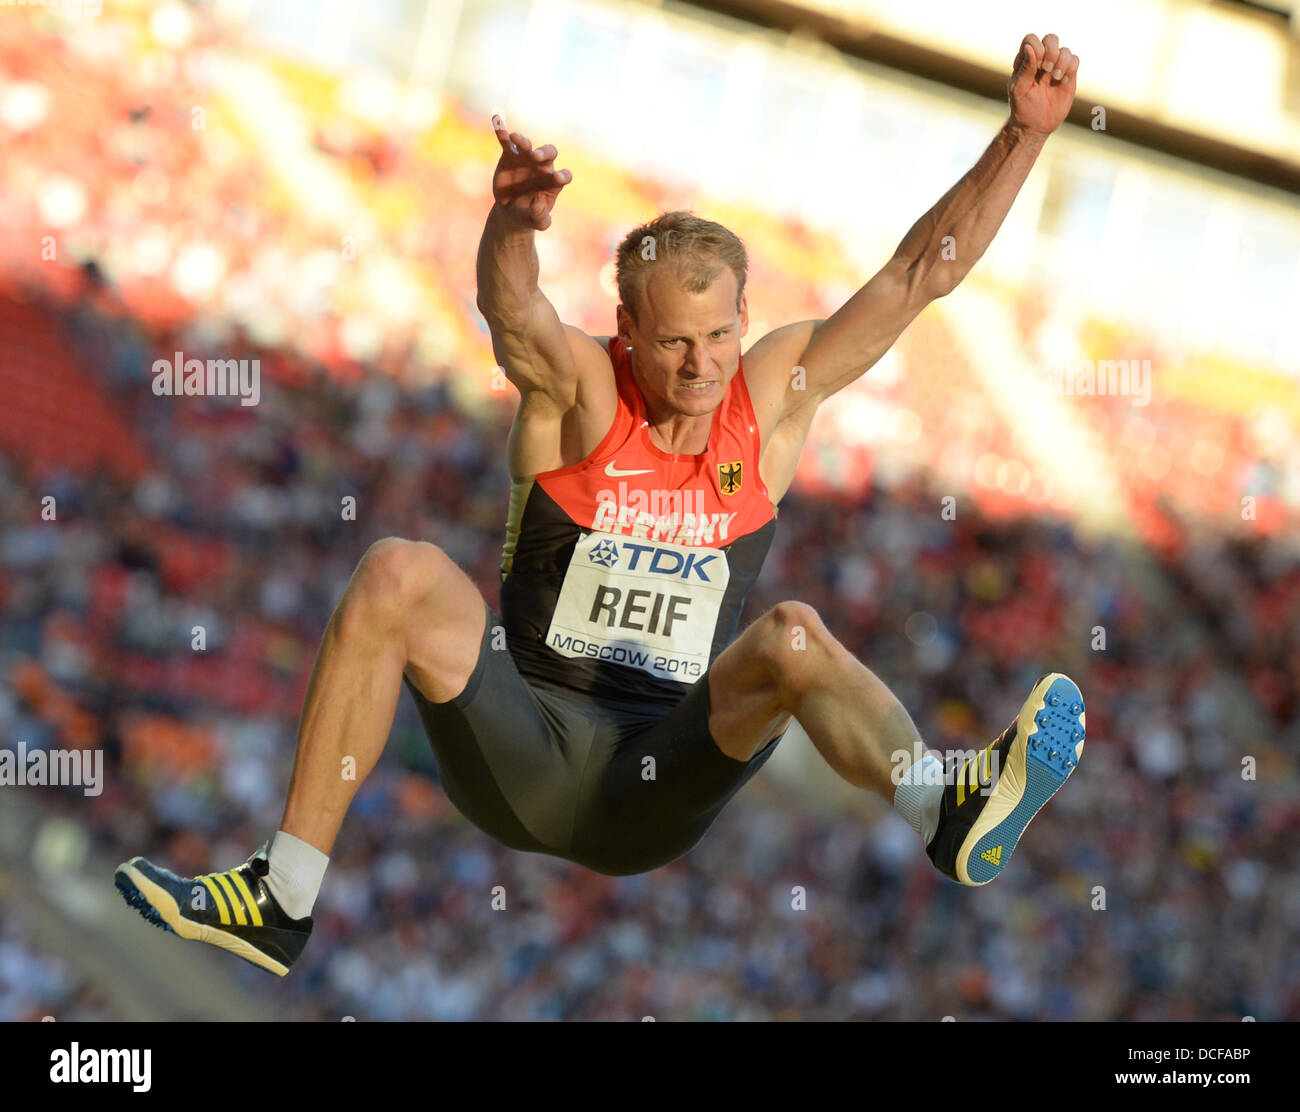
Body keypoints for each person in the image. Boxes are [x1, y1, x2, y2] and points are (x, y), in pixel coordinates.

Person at [116, 33, 1086, 978]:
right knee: (398, 570)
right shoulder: (581, 393)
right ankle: (282, 896)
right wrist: (510, 223)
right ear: (628, 328)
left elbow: (921, 273)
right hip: (520, 743)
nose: (702, 364)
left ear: (743, 320)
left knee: (792, 634)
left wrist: (1023, 135)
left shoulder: (773, 401)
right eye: (673, 343)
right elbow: (512, 312)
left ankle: (941, 808)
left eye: (718, 335)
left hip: (652, 783)